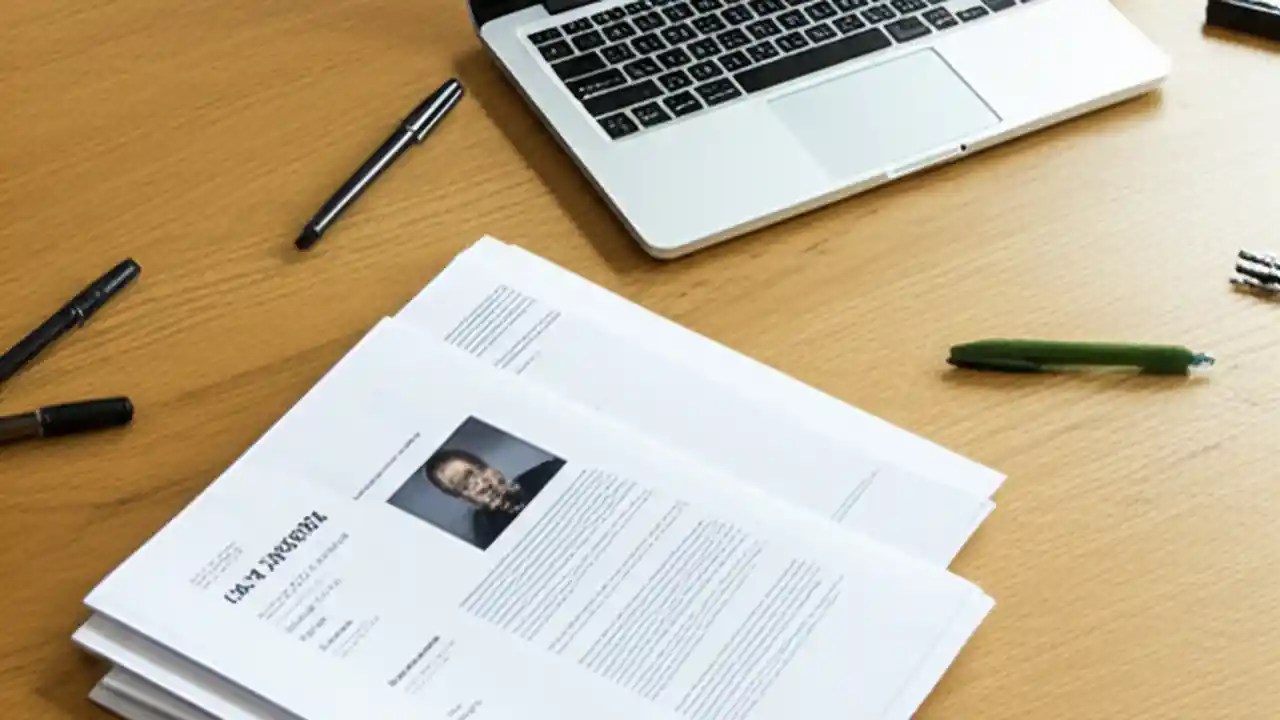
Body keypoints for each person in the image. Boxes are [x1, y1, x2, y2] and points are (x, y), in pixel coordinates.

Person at [422, 448, 564, 549]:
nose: (481, 486)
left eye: (474, 474)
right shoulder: (489, 535)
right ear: (465, 499)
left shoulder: (549, 472)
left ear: (491, 469)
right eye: (464, 486)